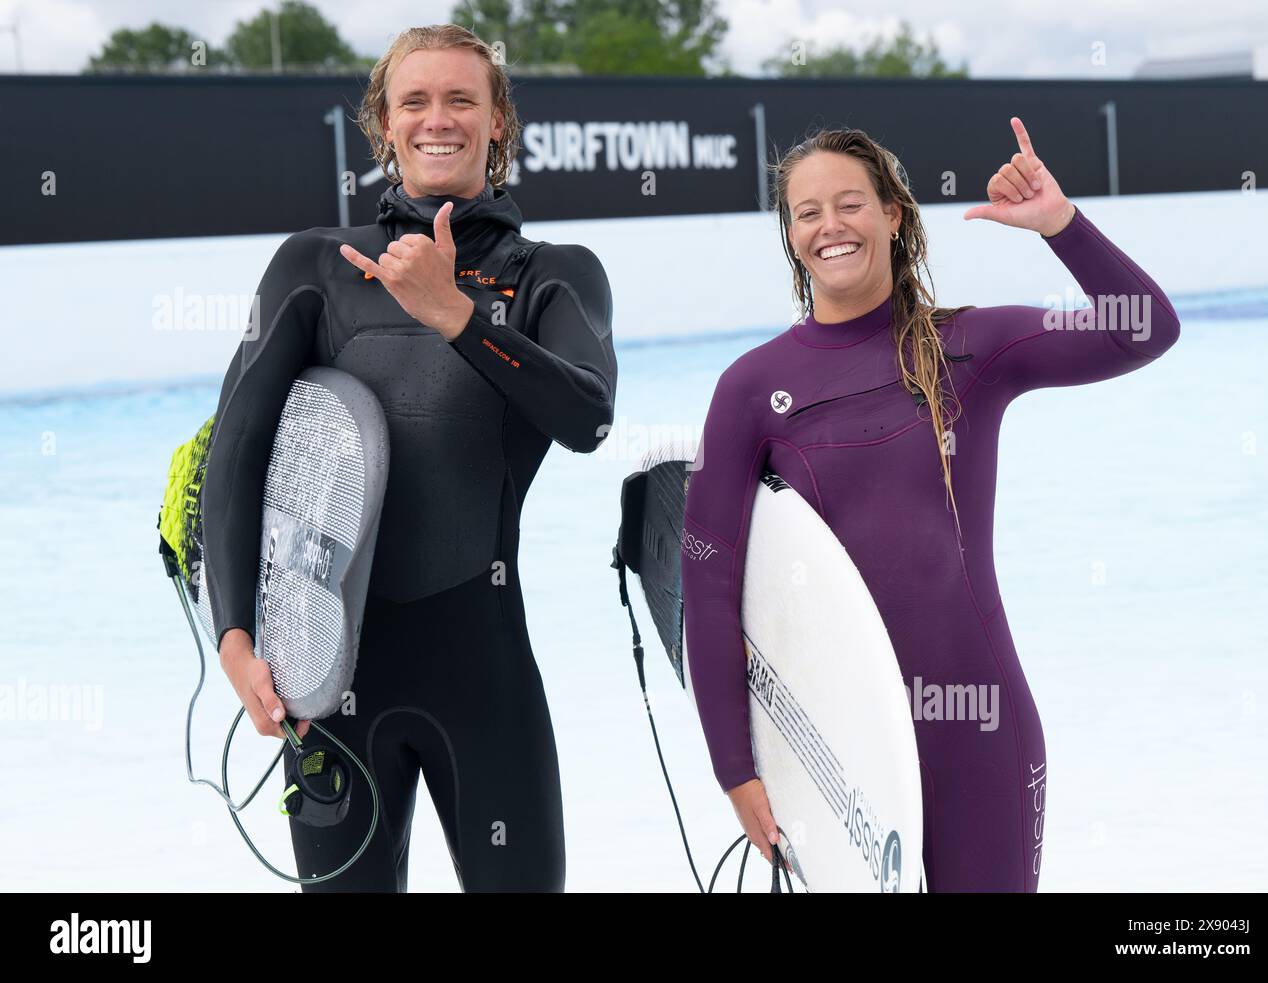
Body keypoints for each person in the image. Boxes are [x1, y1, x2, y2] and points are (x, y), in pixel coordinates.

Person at [680, 118, 1180, 892]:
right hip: (835, 748)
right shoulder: (751, 389)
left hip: (979, 731)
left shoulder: (969, 348)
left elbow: (1144, 331)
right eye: (807, 213)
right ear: (789, 234)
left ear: (894, 215)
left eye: (850, 204)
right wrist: (735, 770)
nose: (829, 227)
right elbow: (708, 583)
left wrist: (1061, 226)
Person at [201, 24, 617, 892]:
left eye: (463, 99)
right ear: (383, 126)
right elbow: (237, 450)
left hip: (485, 680)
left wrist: (459, 315)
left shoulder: (555, 276)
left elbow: (587, 418)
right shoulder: (315, 268)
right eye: (414, 101)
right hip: (327, 681)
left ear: (498, 121)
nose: (440, 119)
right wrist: (236, 637)